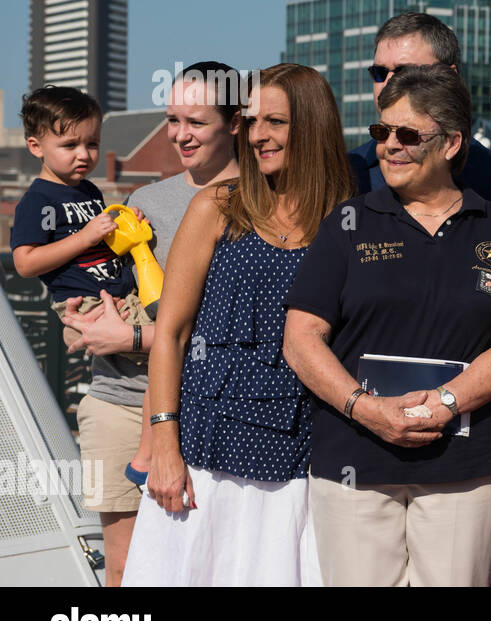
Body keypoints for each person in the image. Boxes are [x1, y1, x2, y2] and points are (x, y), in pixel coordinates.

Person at [283, 64, 491, 587]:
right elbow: (301, 337)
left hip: (465, 463)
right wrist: (366, 408)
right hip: (355, 456)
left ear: (450, 143)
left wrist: (444, 403)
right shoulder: (347, 223)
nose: (390, 146)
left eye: (407, 134)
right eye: (382, 132)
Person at [122, 63, 354, 586]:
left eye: (275, 121)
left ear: (312, 126)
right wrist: (164, 446)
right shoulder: (217, 207)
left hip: (303, 453)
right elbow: (173, 335)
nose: (258, 135)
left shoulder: (346, 218)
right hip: (206, 454)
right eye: (251, 121)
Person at [55, 63, 244, 587]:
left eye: (197, 123)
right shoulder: (146, 201)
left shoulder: (260, 204)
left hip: (202, 409)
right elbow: (114, 298)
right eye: (172, 119)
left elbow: (239, 333)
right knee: (123, 567)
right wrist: (82, 323)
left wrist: (133, 337)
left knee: (200, 566)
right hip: (115, 400)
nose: (180, 134)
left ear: (234, 123)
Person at [349, 11, 491, 245]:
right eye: (379, 73)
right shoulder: (347, 172)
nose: (388, 84)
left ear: (450, 76)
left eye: (404, 72)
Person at [11, 86, 149, 361]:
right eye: (70, 145)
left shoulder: (89, 191)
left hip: (123, 294)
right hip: (87, 303)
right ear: (36, 146)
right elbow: (25, 263)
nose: (84, 154)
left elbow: (102, 240)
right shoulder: (38, 200)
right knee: (168, 345)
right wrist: (85, 237)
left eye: (92, 144)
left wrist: (124, 224)